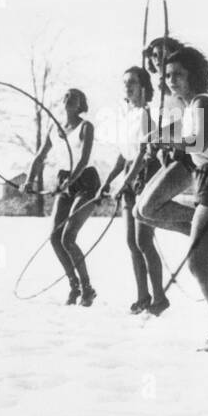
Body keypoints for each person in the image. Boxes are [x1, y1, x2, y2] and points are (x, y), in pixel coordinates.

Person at [136, 46, 208, 351]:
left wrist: (160, 138)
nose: (171, 80)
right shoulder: (191, 106)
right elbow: (183, 128)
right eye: (167, 75)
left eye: (178, 75)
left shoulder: (203, 102)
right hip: (207, 179)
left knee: (200, 264)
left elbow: (199, 140)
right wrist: (153, 135)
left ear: (195, 75)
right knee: (147, 213)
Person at [99, 67, 168, 315]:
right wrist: (108, 180)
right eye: (125, 82)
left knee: (143, 240)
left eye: (133, 82)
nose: (128, 86)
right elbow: (125, 153)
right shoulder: (127, 115)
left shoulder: (148, 114)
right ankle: (143, 297)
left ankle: (159, 297)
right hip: (129, 176)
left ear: (143, 86)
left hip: (146, 174)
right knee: (132, 241)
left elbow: (141, 152)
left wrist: (126, 181)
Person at [26, 89, 101, 306]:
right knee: (54, 238)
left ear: (81, 104)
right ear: (62, 102)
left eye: (75, 97)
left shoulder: (86, 127)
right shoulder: (54, 129)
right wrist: (29, 180)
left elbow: (85, 159)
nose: (69, 98)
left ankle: (87, 288)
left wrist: (72, 180)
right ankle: (74, 285)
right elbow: (40, 157)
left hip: (86, 181)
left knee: (69, 237)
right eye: (66, 96)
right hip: (64, 182)